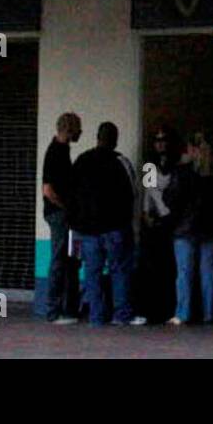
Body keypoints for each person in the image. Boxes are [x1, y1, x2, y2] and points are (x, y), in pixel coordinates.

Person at [71, 122, 146, 327]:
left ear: (97, 137)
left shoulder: (82, 160)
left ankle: (96, 316)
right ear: (115, 139)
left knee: (92, 274)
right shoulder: (121, 161)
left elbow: (72, 192)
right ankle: (121, 314)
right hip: (115, 228)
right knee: (120, 271)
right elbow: (134, 192)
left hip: (88, 230)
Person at [166, 131, 213, 325]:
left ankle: (183, 313)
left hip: (185, 228)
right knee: (209, 273)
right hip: (211, 228)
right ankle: (209, 313)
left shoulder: (183, 171)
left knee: (184, 273)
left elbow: (171, 198)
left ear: (190, 149)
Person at [42, 111, 81, 324]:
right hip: (59, 215)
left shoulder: (63, 150)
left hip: (64, 215)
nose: (80, 133)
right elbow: (47, 190)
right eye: (78, 128)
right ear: (69, 129)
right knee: (60, 259)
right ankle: (53, 311)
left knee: (70, 260)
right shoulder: (55, 153)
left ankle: (67, 308)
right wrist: (65, 207)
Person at [138, 125, 179, 323]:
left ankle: (167, 309)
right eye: (157, 140)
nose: (160, 144)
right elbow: (149, 192)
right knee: (151, 267)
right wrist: (147, 214)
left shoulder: (176, 165)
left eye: (164, 140)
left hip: (170, 221)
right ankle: (150, 309)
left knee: (168, 268)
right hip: (155, 220)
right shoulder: (149, 165)